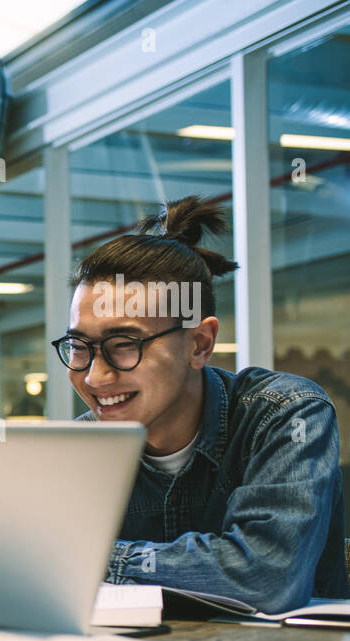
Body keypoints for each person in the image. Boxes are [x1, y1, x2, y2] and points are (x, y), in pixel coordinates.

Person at [56, 195, 348, 613]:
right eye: (79, 346)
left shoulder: (286, 414)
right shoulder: (76, 449)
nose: (93, 377)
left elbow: (264, 576)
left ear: (200, 344)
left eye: (124, 346)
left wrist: (90, 558)